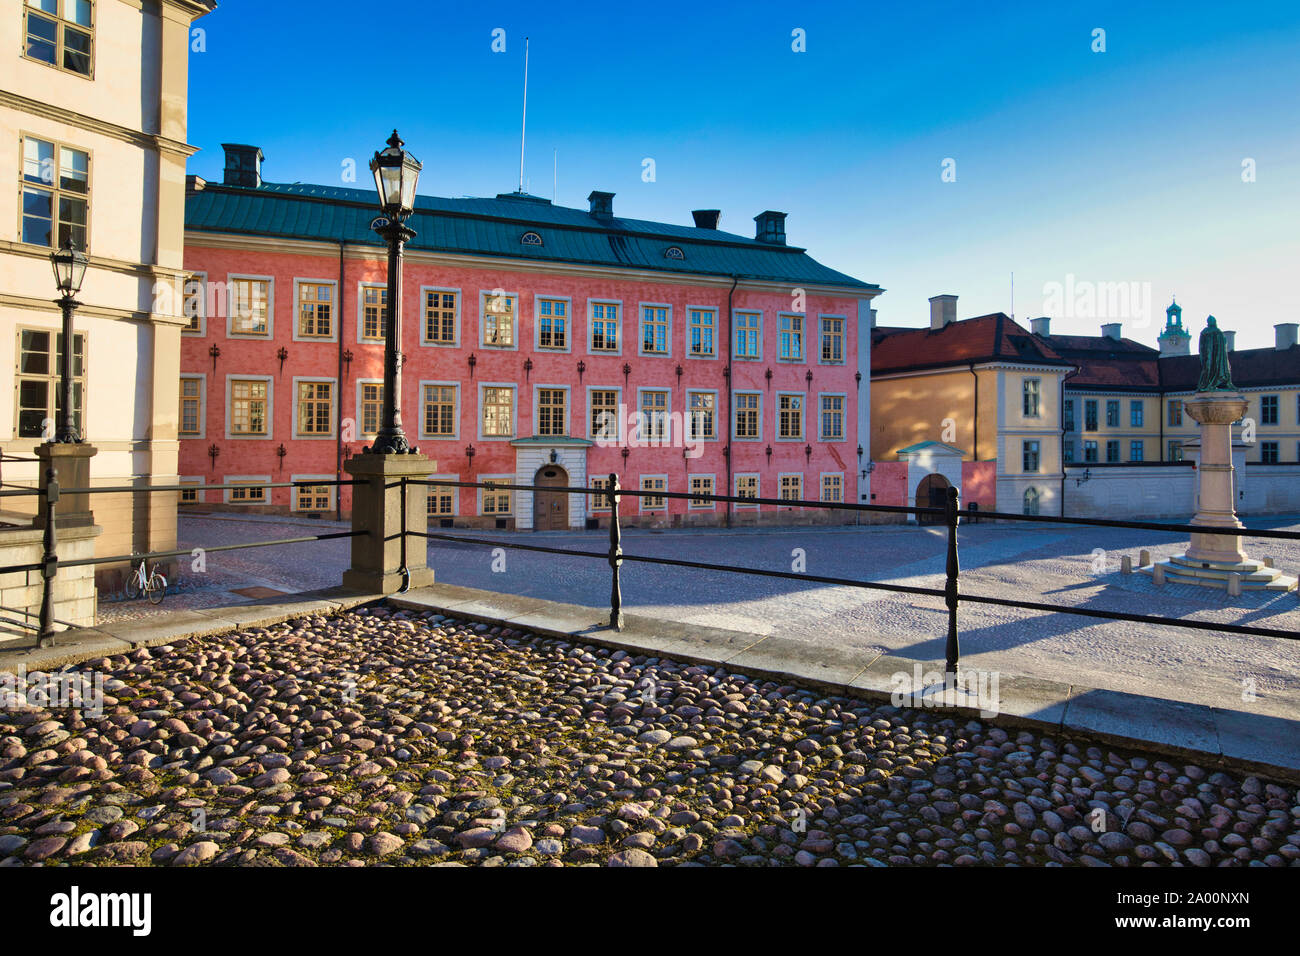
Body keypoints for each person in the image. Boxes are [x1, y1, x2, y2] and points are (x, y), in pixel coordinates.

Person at [1197, 315, 1235, 392]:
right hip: (1212, 355)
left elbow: (1202, 346)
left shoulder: (1214, 332)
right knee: (1209, 368)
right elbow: (1202, 346)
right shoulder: (1211, 332)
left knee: (1213, 367)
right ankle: (1208, 384)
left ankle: (1210, 384)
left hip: (1216, 356)